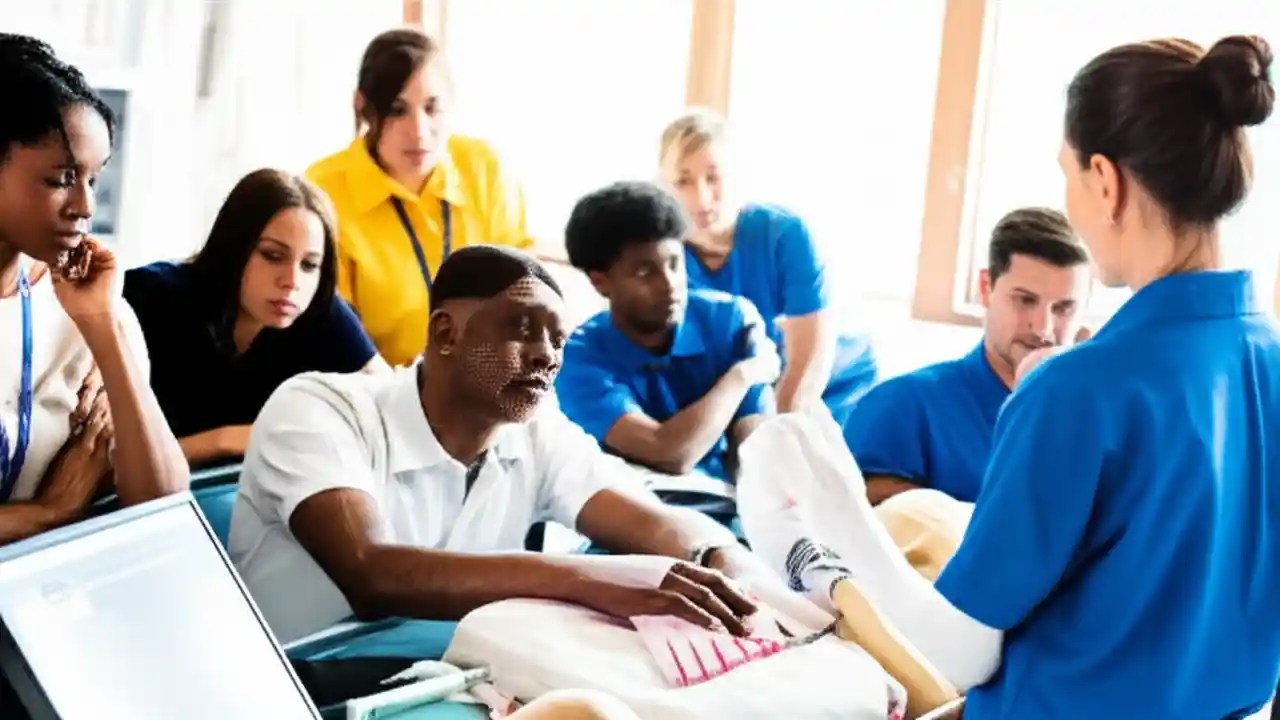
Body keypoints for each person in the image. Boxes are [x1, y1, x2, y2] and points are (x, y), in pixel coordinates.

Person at [777, 34, 1280, 719]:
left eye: (1066, 174)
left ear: (1105, 181)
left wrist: (834, 513)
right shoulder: (1264, 360)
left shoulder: (1079, 389)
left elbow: (959, 655)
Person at [229, 246, 762, 645]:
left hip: (443, 681)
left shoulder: (534, 432)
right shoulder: (319, 408)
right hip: (298, 691)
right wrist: (594, 580)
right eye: (523, 329)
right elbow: (371, 573)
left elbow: (651, 520)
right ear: (446, 335)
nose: (546, 356)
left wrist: (719, 560)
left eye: (557, 339)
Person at [0, 33, 188, 545]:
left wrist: (106, 332)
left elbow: (161, 506)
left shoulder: (87, 309)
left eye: (93, 179)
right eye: (61, 179)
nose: (85, 207)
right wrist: (50, 512)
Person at [124, 169, 383, 467]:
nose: (292, 281)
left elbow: (388, 410)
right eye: (273, 256)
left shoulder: (317, 308)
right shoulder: (150, 299)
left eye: (310, 265)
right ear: (233, 246)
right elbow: (107, 462)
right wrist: (226, 440)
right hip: (152, 494)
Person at [307, 28, 532, 367]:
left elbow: (525, 287)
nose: (419, 131)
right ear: (363, 107)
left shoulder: (484, 168)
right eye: (397, 110)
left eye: (432, 108)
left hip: (490, 374)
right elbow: (333, 331)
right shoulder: (325, 190)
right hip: (376, 385)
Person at [843, 207, 1090, 504]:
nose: (1043, 328)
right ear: (986, 288)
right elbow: (853, 522)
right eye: (1025, 300)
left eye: (1063, 308)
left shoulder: (1101, 427)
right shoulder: (902, 407)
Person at [555, 181, 779, 500]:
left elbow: (754, 448)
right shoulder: (579, 360)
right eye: (645, 272)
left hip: (731, 502)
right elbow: (670, 454)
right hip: (631, 512)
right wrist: (741, 376)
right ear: (600, 282)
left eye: (675, 263)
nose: (670, 284)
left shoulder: (730, 321)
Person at [659, 109, 876, 425]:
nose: (702, 198)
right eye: (683, 181)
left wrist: (773, 437)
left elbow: (807, 369)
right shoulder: (662, 258)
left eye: (714, 177)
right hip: (753, 383)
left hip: (836, 383)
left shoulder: (785, 234)